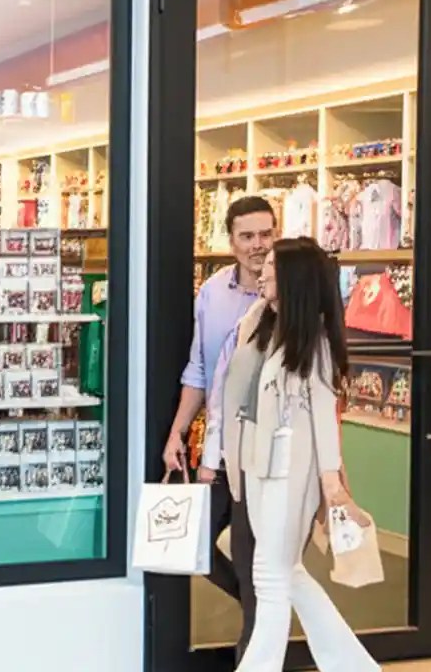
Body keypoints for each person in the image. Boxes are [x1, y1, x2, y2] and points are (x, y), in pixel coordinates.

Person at [212, 237, 377, 672]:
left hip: (290, 476)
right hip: (259, 469)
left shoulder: (313, 346)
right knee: (289, 575)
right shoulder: (263, 327)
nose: (262, 271)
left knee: (269, 579)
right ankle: (355, 666)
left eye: (272, 265)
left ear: (294, 280)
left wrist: (332, 484)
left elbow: (323, 418)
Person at [162, 195, 276, 660]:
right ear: (231, 242)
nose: (257, 244)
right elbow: (200, 369)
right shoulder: (212, 292)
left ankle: (254, 652)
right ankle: (263, 610)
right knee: (192, 543)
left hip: (263, 457)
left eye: (265, 234)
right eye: (247, 236)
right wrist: (177, 432)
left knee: (252, 563)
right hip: (217, 452)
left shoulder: (288, 297)